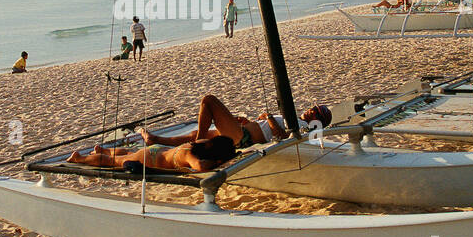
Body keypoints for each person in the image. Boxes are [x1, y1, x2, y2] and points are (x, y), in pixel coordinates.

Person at [140, 94, 334, 150]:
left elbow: (282, 137)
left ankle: (196, 145)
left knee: (209, 100)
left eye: (315, 111)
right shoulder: (296, 120)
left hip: (244, 138)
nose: (311, 110)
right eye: (313, 107)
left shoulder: (303, 128)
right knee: (197, 133)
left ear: (318, 120)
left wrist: (267, 117)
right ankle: (155, 139)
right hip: (244, 131)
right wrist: (249, 121)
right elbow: (268, 130)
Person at [65, 134, 236, 174]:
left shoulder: (200, 143)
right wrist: (219, 161)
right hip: (151, 158)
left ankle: (103, 150)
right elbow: (199, 167)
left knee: (127, 154)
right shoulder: (191, 155)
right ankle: (79, 157)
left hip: (157, 152)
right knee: (113, 162)